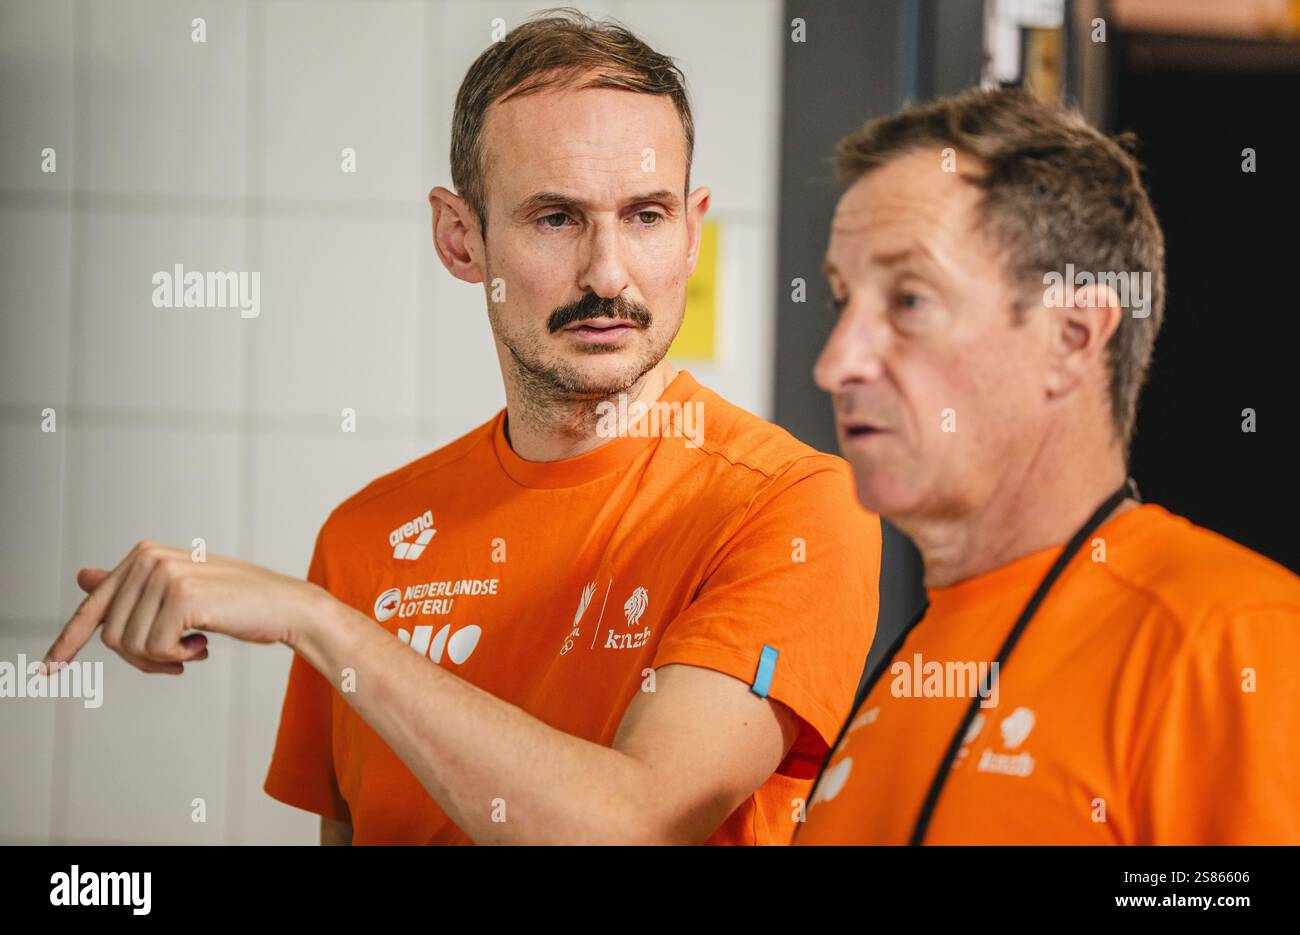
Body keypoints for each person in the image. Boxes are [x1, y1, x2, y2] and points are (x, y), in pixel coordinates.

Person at [42, 10, 880, 845]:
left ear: (692, 231)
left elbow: (634, 826)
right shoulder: (365, 537)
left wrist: (320, 623)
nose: (607, 272)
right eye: (556, 217)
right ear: (459, 237)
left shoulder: (792, 508)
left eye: (645, 216)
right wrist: (326, 611)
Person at [797, 87, 1300, 844]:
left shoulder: (1229, 639)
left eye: (908, 299)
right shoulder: (912, 655)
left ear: (1070, 338)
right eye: (842, 302)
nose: (835, 364)